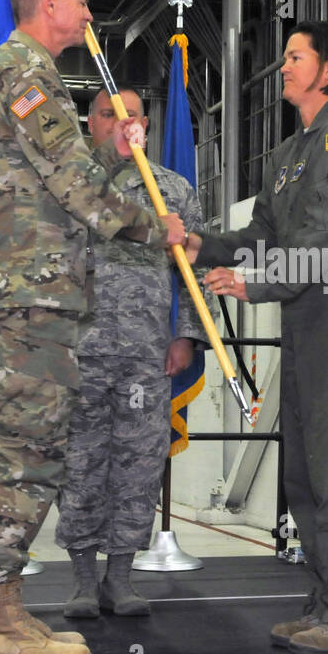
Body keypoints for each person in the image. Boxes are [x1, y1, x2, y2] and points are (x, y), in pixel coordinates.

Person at [0, 0, 184, 654]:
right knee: (24, 449)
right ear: (49, 3)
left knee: (17, 445)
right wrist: (160, 227)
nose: (89, 14)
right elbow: (80, 184)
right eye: (81, 1)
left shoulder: (24, 71)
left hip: (32, 288)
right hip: (32, 291)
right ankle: (0, 623)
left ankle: (6, 609)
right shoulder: (27, 73)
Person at [184, 21, 328, 654]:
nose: (282, 67)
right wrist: (201, 245)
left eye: (295, 57)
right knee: (306, 471)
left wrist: (255, 287)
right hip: (306, 313)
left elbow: (324, 241)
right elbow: (262, 237)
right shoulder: (288, 155)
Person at [55, 86, 206, 618]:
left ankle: (120, 578)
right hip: (79, 351)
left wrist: (185, 334)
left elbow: (193, 272)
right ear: (89, 122)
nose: (122, 124)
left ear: (146, 124)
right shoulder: (70, 186)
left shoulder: (173, 190)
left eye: (133, 116)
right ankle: (80, 580)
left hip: (148, 354)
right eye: (108, 115)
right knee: (80, 464)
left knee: (138, 466)